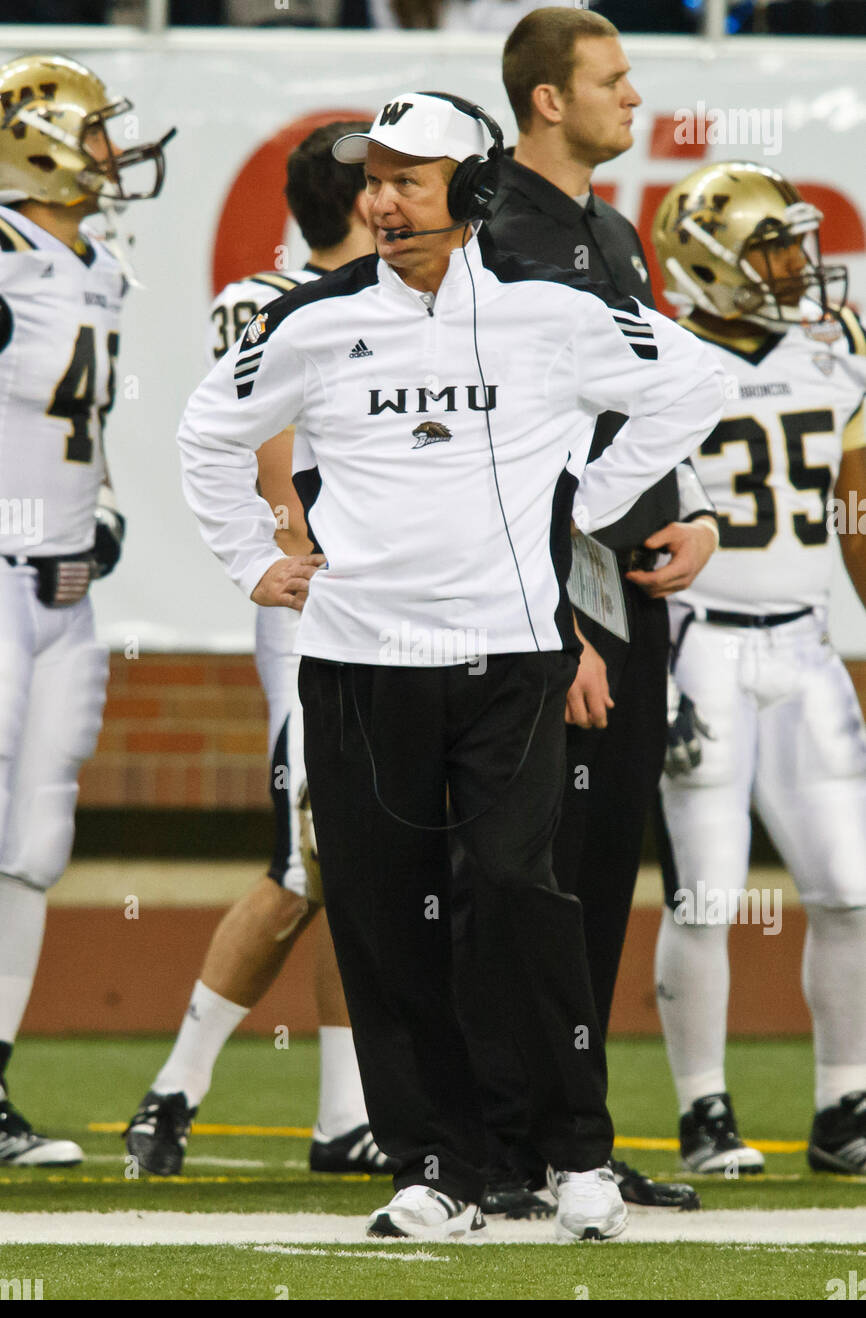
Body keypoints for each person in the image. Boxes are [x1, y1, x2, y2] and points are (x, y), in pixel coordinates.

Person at [178, 89, 724, 1241]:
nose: (380, 201)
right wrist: (248, 558)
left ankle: (578, 1155)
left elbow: (690, 384)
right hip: (356, 665)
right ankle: (436, 1168)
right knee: (381, 915)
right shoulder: (313, 321)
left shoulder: (555, 310)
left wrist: (585, 506)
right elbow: (207, 431)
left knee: (520, 890)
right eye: (371, 180)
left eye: (406, 181)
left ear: (469, 194)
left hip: (511, 659)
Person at [460, 4, 714, 1215]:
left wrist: (698, 508)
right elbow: (497, 450)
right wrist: (549, 622)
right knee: (529, 876)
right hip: (549, 605)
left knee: (605, 865)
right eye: (612, 80)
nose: (634, 95)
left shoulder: (611, 231)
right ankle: (506, 1145)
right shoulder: (496, 235)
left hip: (635, 596)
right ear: (546, 99)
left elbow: (648, 397)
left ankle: (579, 1139)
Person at [124, 123, 391, 1178]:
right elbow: (264, 448)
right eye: (382, 180)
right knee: (300, 863)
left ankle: (343, 1115)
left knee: (358, 871)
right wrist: (292, 526)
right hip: (311, 614)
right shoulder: (271, 299)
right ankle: (173, 1089)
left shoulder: (391, 298)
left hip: (381, 616)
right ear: (357, 199)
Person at [651, 161, 866, 1175]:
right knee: (705, 894)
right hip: (703, 647)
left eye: (790, 244)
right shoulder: (657, 360)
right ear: (705, 261)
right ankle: (702, 1109)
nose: (793, 265)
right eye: (768, 247)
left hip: (806, 643)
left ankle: (841, 1103)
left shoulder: (835, 351)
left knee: (849, 889)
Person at [0, 53, 174, 1165]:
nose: (115, 153)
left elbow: (79, 425)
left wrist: (96, 509)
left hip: (61, 590)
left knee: (35, 843)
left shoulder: (92, 261)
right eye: (97, 132)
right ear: (41, 142)